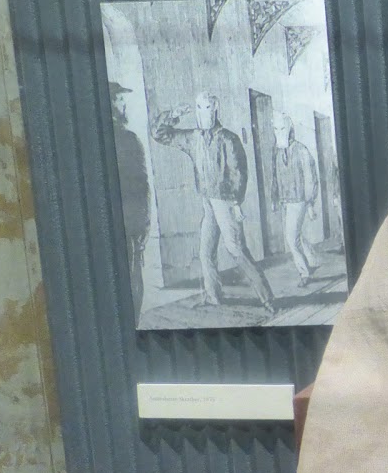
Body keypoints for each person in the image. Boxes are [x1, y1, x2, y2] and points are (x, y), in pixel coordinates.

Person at [152, 91, 276, 314]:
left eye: (208, 107)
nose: (203, 113)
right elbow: (159, 134)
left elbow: (239, 172)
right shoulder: (192, 138)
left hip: (225, 201)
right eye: (199, 108)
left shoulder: (228, 138)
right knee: (206, 252)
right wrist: (172, 115)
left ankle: (267, 298)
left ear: (216, 109)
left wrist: (236, 203)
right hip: (207, 202)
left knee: (236, 249)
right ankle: (213, 297)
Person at [110, 81, 150, 319]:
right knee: (133, 282)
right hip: (128, 225)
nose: (124, 104)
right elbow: (140, 185)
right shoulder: (127, 139)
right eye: (119, 99)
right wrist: (144, 225)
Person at [270, 110, 321, 286]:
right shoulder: (276, 152)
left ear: (289, 128)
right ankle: (312, 260)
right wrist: (274, 199)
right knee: (295, 234)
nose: (279, 132)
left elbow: (310, 178)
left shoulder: (301, 150)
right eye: (276, 129)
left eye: (282, 128)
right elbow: (274, 177)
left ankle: (304, 273)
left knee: (291, 239)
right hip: (285, 200)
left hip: (299, 200)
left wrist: (310, 203)